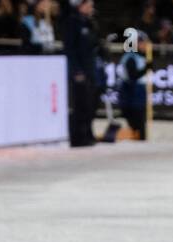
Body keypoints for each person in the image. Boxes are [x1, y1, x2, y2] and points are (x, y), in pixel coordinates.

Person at [64, 0, 99, 148]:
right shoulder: (73, 22)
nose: (92, 8)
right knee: (80, 105)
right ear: (80, 6)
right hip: (79, 71)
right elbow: (70, 49)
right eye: (89, 5)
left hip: (90, 69)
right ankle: (78, 137)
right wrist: (76, 70)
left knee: (90, 104)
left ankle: (88, 133)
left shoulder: (88, 23)